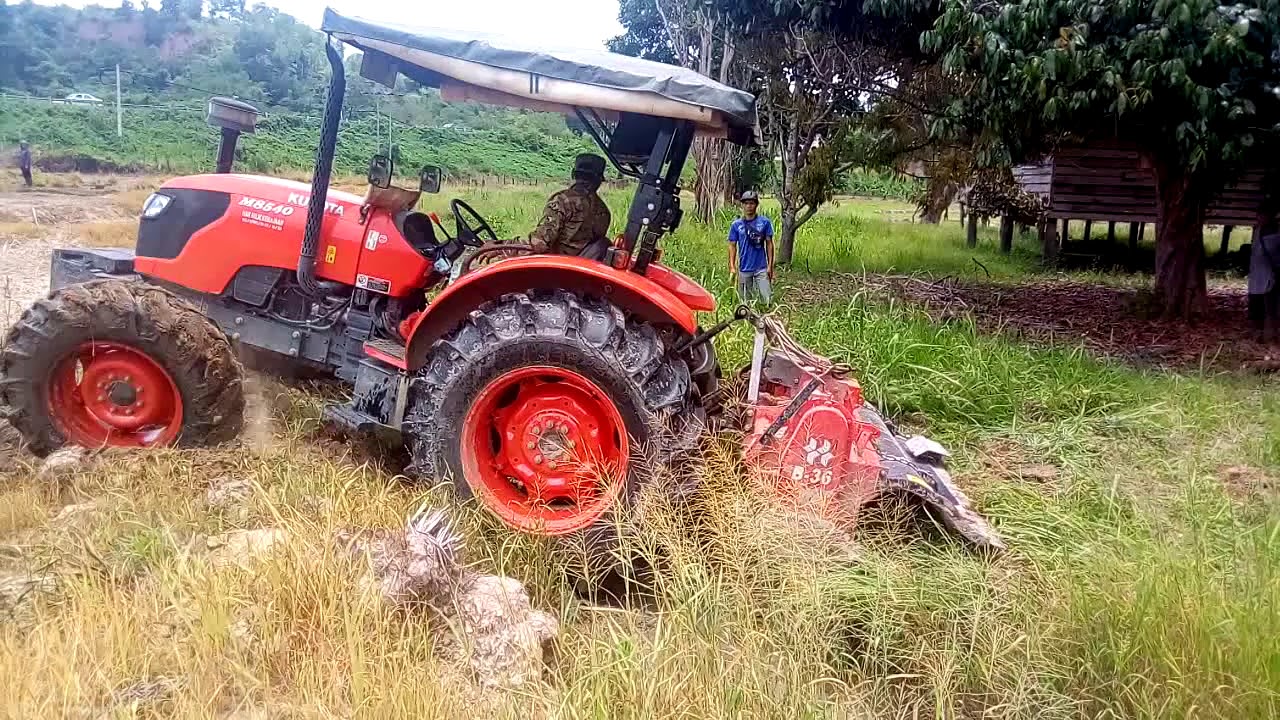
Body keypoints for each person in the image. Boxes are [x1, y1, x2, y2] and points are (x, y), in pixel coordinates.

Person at [528, 153, 612, 260]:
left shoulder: (562, 201)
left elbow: (540, 244)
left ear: (575, 175)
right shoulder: (604, 212)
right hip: (582, 266)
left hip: (556, 265)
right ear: (599, 180)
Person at [728, 190, 774, 305]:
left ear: (756, 205)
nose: (749, 206)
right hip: (744, 268)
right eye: (746, 203)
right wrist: (732, 267)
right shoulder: (736, 225)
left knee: (767, 299)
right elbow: (732, 246)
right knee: (744, 303)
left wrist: (770, 266)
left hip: (761, 268)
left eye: (752, 203)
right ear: (742, 205)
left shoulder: (764, 223)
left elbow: (769, 244)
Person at [1248, 213, 1280, 342]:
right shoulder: (1258, 230)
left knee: (1268, 305)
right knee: (1263, 304)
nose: (1259, 218)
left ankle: (1266, 334)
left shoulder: (1273, 234)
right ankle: (1262, 333)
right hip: (1259, 276)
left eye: (1261, 215)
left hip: (1268, 275)